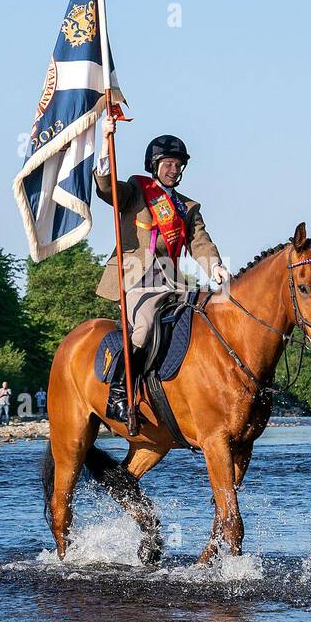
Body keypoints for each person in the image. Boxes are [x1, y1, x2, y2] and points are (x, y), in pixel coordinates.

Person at [94, 118, 229, 423]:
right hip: (136, 277)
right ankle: (119, 395)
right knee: (144, 328)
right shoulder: (136, 190)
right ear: (154, 165)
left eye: (178, 164)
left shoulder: (188, 206)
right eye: (168, 163)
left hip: (173, 281)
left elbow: (200, 242)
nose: (174, 169)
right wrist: (105, 140)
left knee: (205, 321)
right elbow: (106, 187)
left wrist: (216, 266)